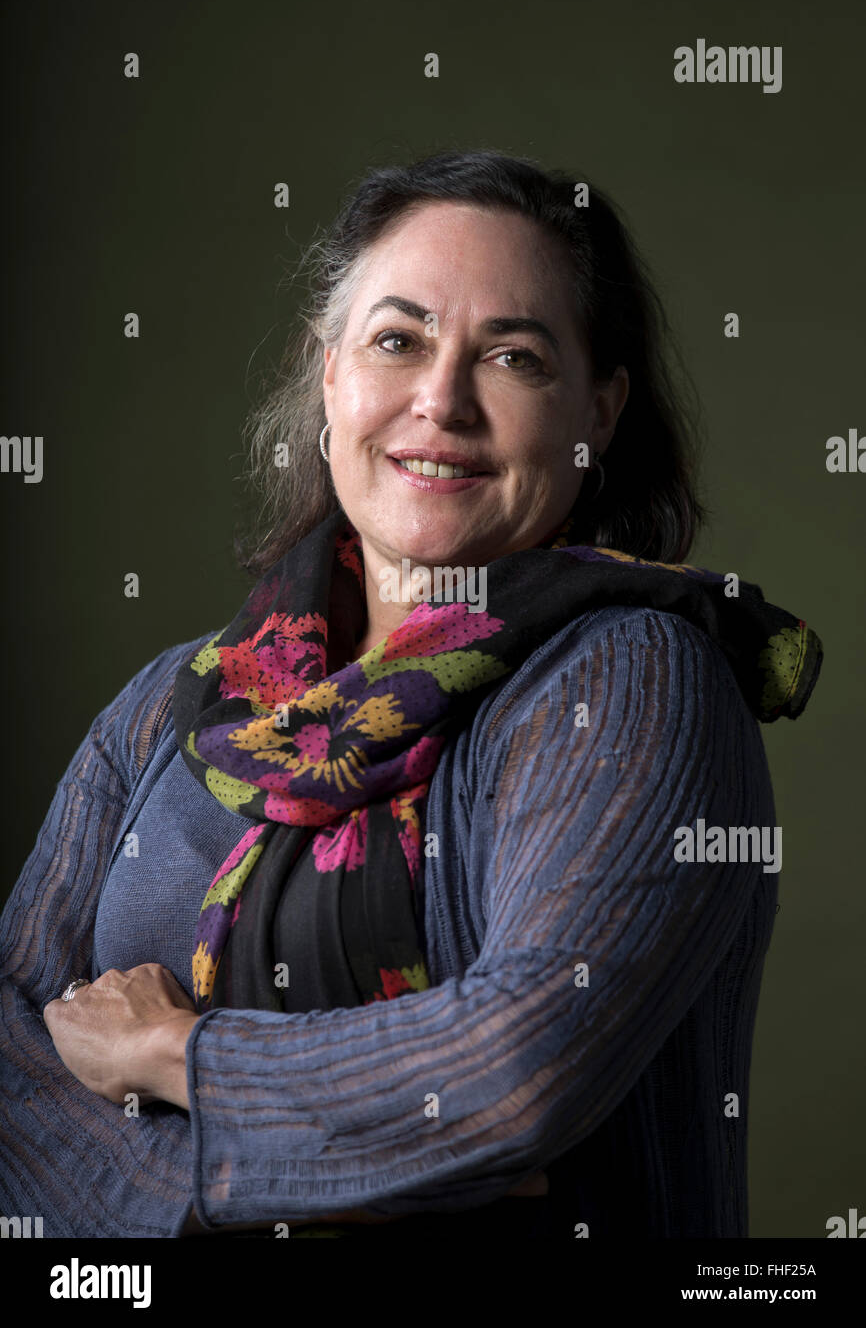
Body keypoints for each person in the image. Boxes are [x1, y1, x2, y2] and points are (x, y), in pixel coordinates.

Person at [0, 149, 822, 1238]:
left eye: (514, 357)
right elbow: (11, 1061)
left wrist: (172, 1054)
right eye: (398, 341)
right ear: (329, 373)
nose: (442, 400)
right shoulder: (175, 704)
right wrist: (339, 1179)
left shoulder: (633, 678)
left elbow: (519, 1068)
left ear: (599, 408)